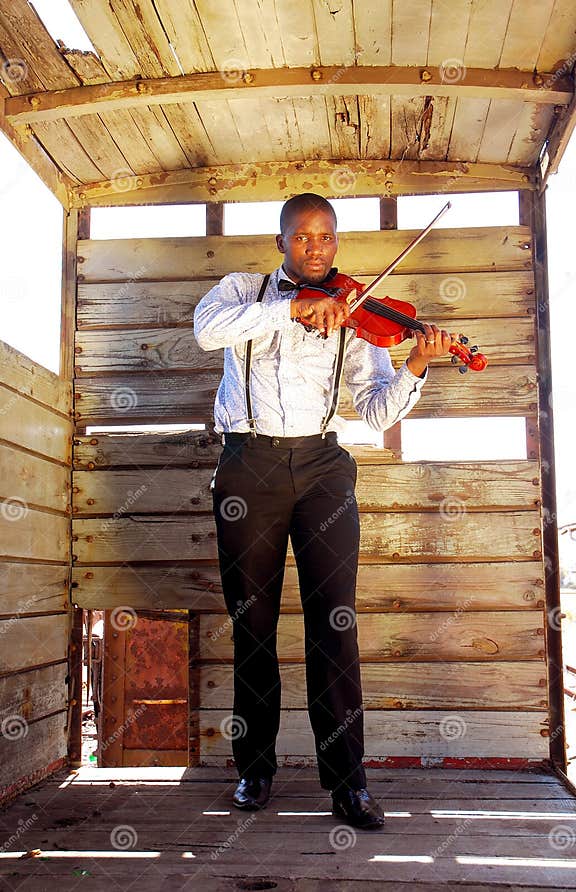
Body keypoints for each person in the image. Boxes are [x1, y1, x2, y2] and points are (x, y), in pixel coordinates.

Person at [193, 193, 452, 830]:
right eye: (303, 237)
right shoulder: (242, 289)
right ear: (282, 240)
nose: (315, 248)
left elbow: (374, 411)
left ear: (336, 243)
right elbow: (206, 332)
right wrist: (289, 309)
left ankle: (348, 784)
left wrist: (416, 365)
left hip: (322, 470)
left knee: (334, 626)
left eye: (326, 237)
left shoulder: (358, 315)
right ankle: (255, 769)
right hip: (248, 462)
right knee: (251, 623)